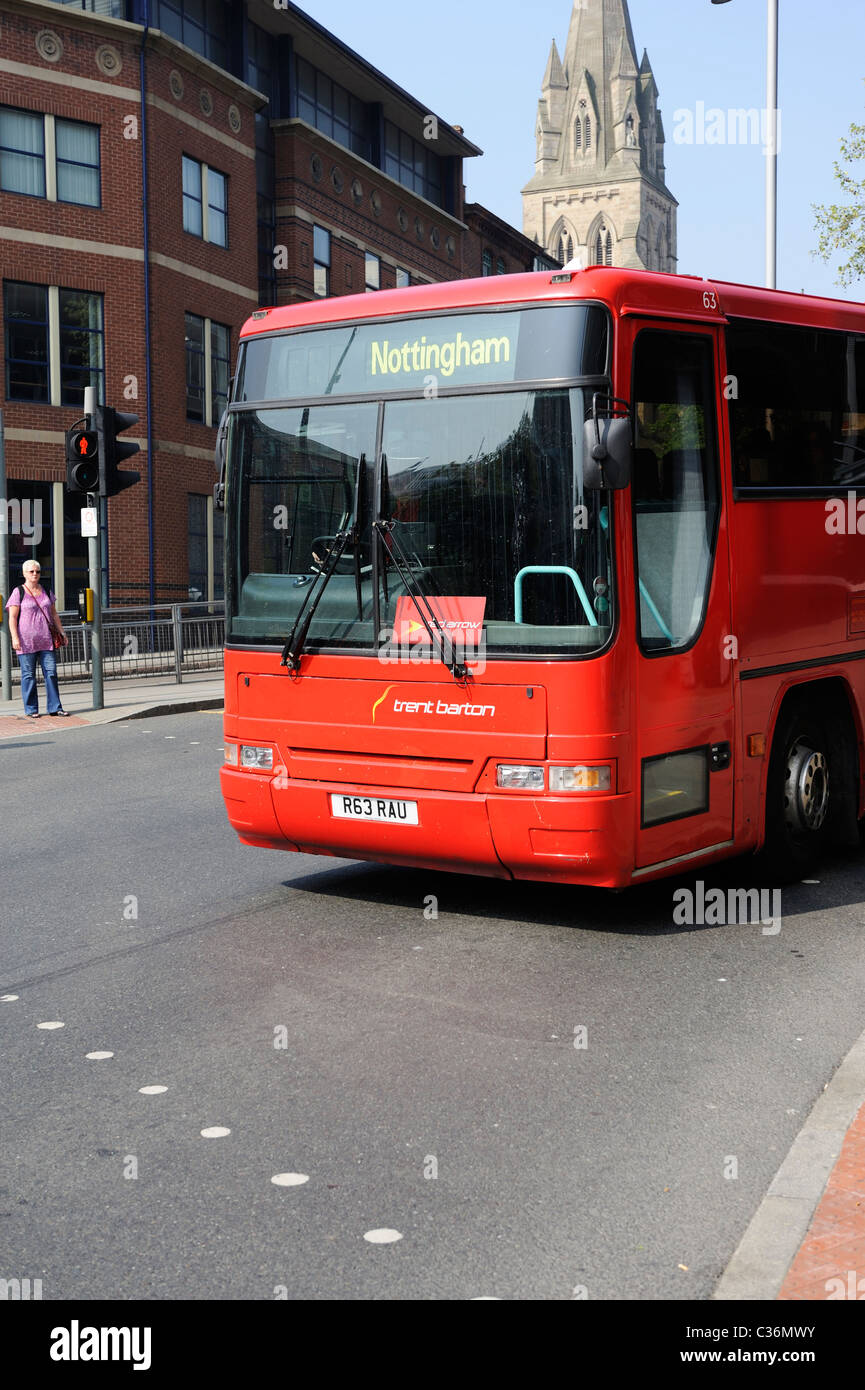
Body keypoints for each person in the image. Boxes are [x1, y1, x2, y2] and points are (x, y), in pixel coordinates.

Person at [5, 561, 70, 718]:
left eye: (38, 571)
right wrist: (14, 638)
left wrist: (62, 632)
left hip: (46, 640)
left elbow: (54, 614)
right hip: (26, 642)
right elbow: (12, 618)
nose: (35, 574)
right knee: (28, 675)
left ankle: (55, 708)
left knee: (51, 673)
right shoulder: (18, 591)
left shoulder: (46, 590)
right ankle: (31, 709)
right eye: (32, 571)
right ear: (25, 573)